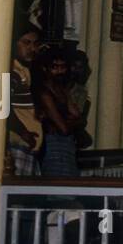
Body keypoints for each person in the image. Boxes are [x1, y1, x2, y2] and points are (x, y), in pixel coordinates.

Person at [33, 46, 84, 178]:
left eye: (63, 67)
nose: (60, 71)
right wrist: (72, 122)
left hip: (66, 144)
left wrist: (73, 122)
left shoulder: (61, 90)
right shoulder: (45, 93)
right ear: (45, 69)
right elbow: (64, 128)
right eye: (55, 67)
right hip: (52, 144)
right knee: (55, 184)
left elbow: (78, 116)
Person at [7, 25, 44, 177]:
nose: (32, 48)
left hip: (27, 147)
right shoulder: (12, 72)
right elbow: (2, 108)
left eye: (35, 44)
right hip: (18, 145)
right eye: (26, 43)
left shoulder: (25, 71)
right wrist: (23, 132)